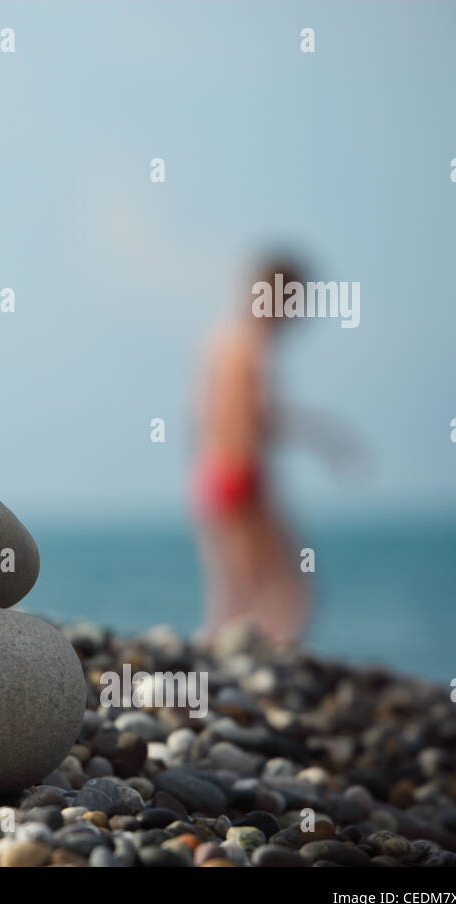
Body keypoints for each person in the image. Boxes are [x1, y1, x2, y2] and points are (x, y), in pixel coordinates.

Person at [192, 256, 361, 649]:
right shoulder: (251, 345)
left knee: (236, 587)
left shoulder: (220, 338)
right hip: (241, 472)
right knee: (289, 588)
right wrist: (325, 437)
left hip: (215, 471)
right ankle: (268, 658)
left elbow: (205, 417)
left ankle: (220, 659)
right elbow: (253, 416)